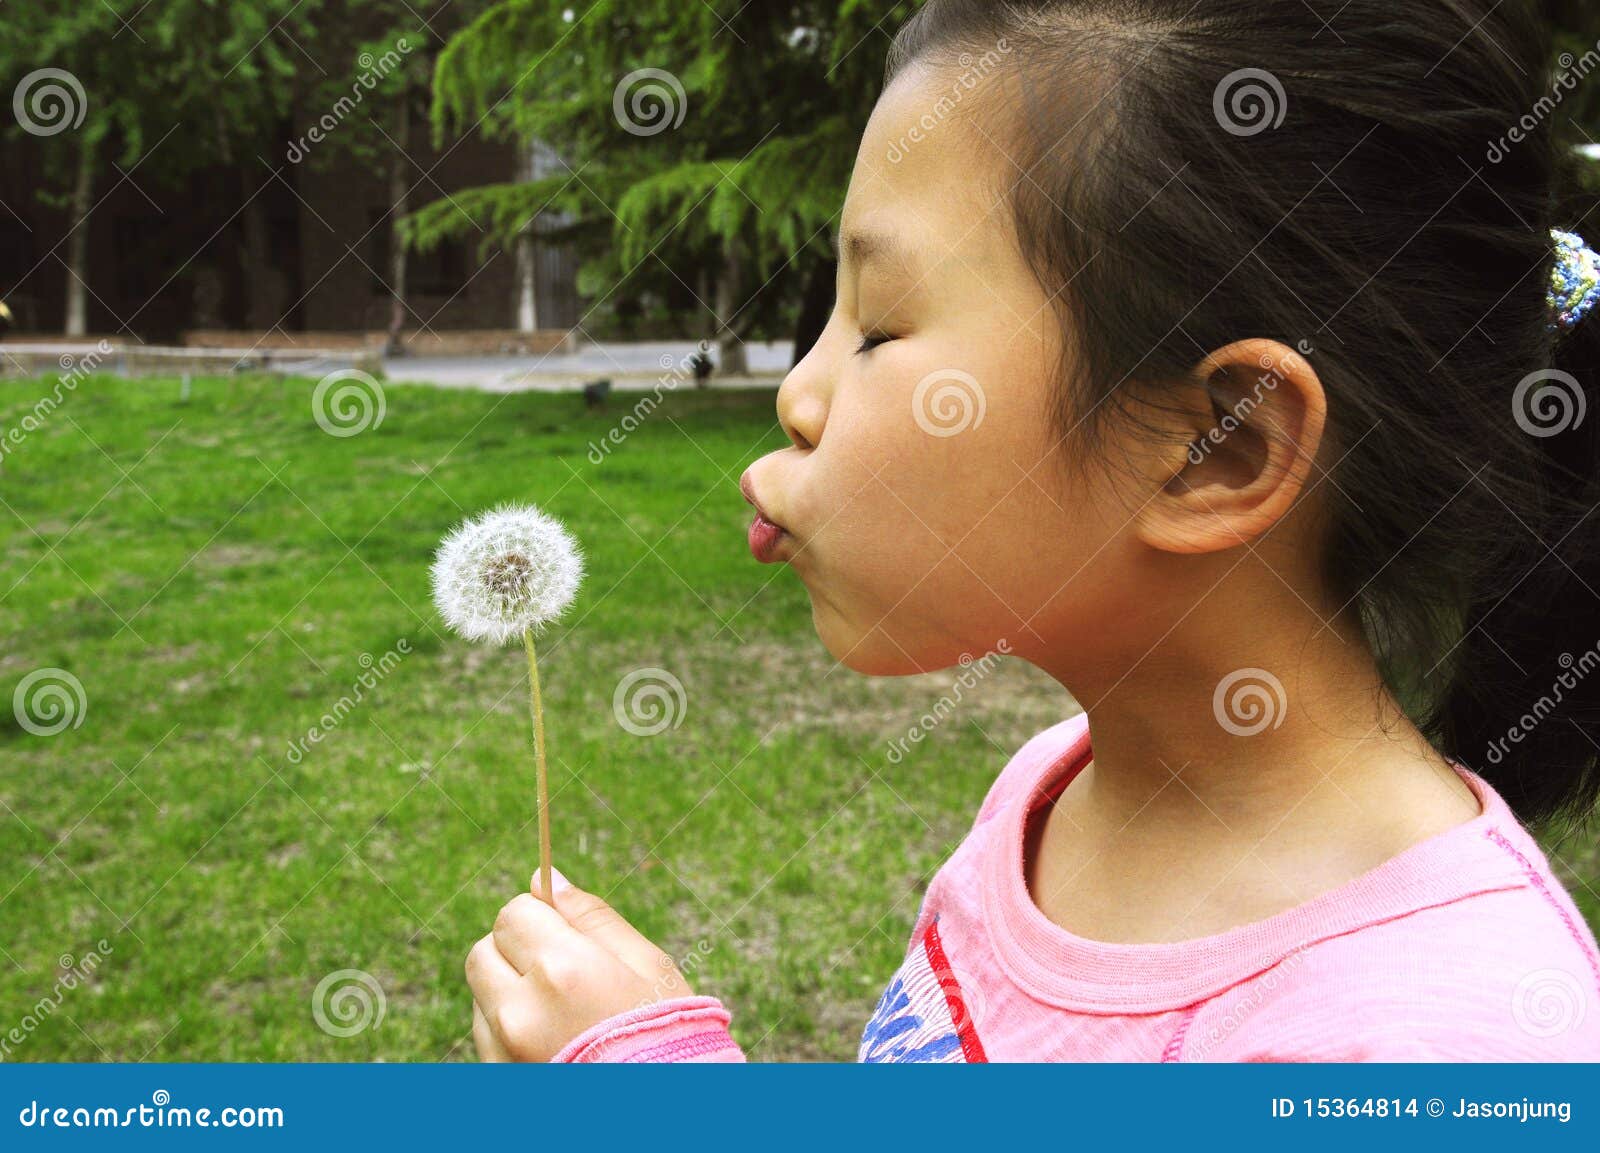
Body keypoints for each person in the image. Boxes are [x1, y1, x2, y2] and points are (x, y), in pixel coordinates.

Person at [466, 0, 1600, 1061]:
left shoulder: (1452, 1033)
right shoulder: (1052, 796)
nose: (798, 398)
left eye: (879, 326)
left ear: (1223, 451)